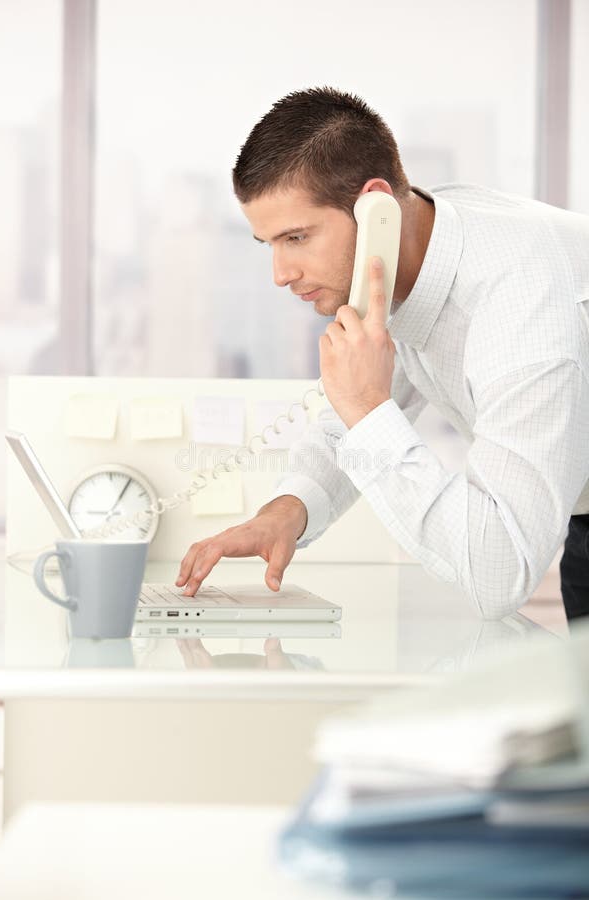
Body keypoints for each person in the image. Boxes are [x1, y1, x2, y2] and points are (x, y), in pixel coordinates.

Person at [176, 86, 589, 621]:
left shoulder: (519, 300)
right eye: (270, 244)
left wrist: (371, 411)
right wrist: (287, 510)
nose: (280, 274)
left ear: (376, 207)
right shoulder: (407, 254)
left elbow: (497, 572)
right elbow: (349, 418)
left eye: (297, 237)